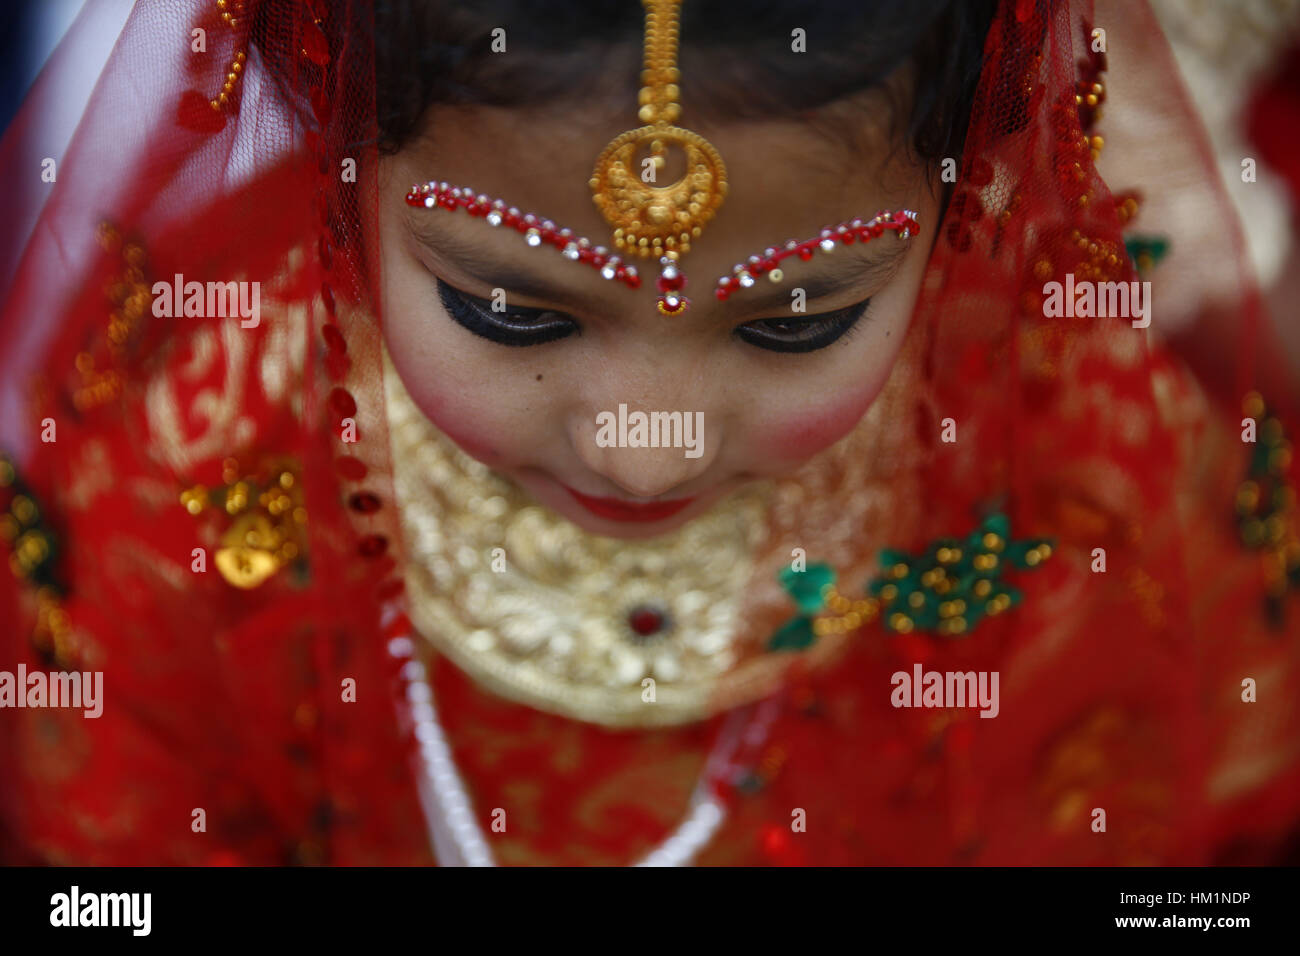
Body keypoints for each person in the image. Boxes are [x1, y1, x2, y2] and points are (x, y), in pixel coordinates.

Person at [1, 0, 1297, 866]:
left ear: (964, 187)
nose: (646, 449)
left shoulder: (1083, 479)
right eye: (509, 312)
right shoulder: (190, 446)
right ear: (346, 157)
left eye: (794, 322)